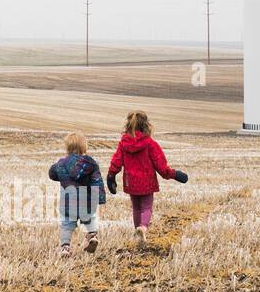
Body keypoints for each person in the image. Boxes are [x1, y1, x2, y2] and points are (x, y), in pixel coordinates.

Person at [106, 110, 188, 246]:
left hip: (131, 182)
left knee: (136, 208)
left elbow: (116, 161)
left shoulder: (123, 143)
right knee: (146, 208)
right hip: (146, 182)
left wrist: (111, 175)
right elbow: (161, 166)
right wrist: (174, 174)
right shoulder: (150, 144)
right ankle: (143, 228)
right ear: (146, 125)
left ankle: (137, 231)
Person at [48, 131, 105, 257]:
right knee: (90, 218)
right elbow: (97, 181)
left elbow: (52, 174)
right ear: (84, 147)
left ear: (67, 148)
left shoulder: (61, 163)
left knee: (67, 225)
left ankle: (65, 247)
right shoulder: (90, 163)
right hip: (86, 200)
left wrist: (59, 170)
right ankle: (92, 235)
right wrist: (99, 197)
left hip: (68, 202)